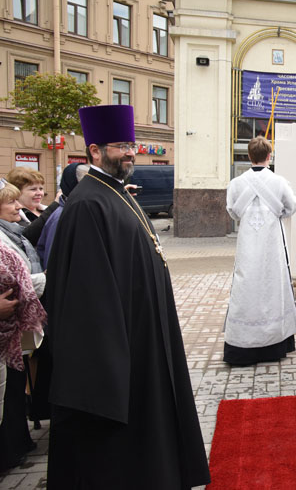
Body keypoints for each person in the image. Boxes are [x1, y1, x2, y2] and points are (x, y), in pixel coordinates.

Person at [44, 104, 209, 488]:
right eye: (121, 145)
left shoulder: (116, 192)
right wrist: (111, 365)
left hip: (144, 336)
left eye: (132, 144)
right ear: (96, 151)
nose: (130, 152)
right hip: (121, 351)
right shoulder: (87, 204)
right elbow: (88, 297)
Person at [224, 136, 296, 365]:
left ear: (249, 156)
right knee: (272, 285)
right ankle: (274, 345)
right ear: (270, 156)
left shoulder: (236, 183)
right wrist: (277, 213)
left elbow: (232, 211)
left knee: (245, 286)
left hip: (247, 243)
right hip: (271, 243)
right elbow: (292, 206)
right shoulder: (279, 182)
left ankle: (243, 345)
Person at [0, 178, 46, 471]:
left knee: (12, 393)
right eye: (11, 202)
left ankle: (14, 445)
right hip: (6, 332)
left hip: (11, 333)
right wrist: (52, 276)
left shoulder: (13, 233)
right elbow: (21, 282)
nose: (18, 206)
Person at [36, 163, 89, 270]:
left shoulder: (76, 211)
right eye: (86, 183)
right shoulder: (62, 217)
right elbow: (53, 261)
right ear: (73, 184)